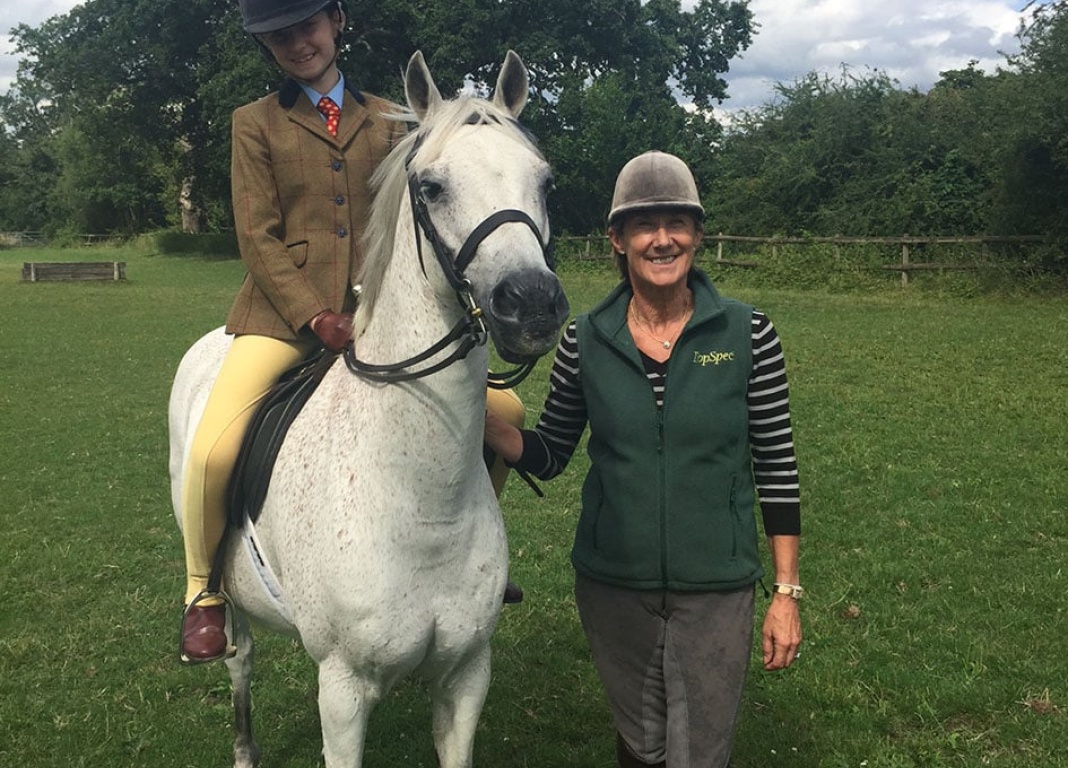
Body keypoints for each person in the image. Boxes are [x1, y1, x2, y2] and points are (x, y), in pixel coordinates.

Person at [179, 0, 523, 665]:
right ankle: (204, 590)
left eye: (306, 25)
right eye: (278, 35)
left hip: (377, 316)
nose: (296, 42)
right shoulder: (253, 123)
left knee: (504, 412)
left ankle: (471, 564)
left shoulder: (393, 119)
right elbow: (257, 234)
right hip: (283, 319)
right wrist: (315, 314)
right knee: (213, 448)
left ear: (335, 21)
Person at [483, 150, 803, 767]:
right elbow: (550, 453)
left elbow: (778, 465)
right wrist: (478, 413)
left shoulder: (748, 333)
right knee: (640, 742)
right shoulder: (585, 337)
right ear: (617, 238)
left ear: (697, 235)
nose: (662, 239)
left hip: (716, 585)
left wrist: (785, 591)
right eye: (644, 225)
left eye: (676, 223)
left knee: (700, 750)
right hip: (613, 585)